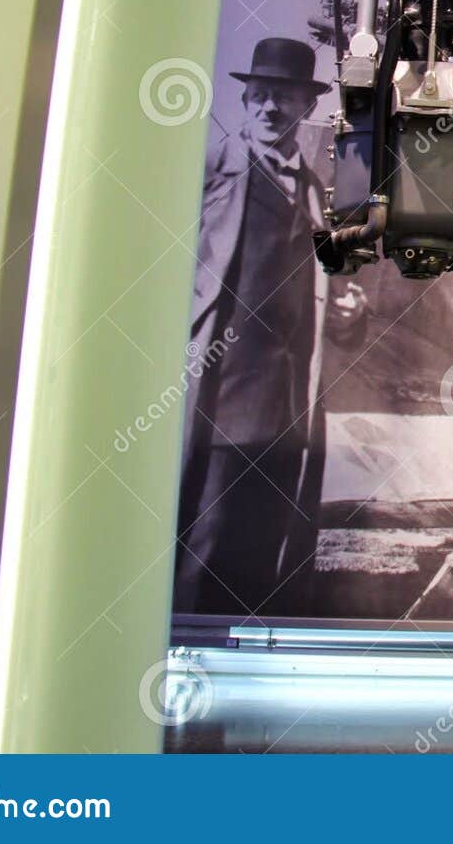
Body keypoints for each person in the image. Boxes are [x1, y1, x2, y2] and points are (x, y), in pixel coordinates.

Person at [174, 37, 330, 616]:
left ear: (306, 108)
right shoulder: (217, 163)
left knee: (268, 526)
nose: (270, 110)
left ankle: (253, 632)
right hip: (226, 384)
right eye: (260, 97)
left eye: (283, 99)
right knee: (209, 527)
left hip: (286, 394)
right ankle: (187, 635)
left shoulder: (313, 188)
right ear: (245, 101)